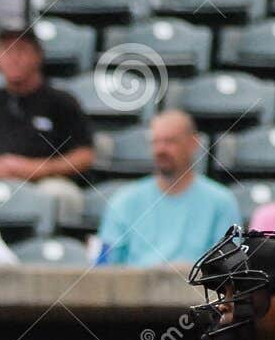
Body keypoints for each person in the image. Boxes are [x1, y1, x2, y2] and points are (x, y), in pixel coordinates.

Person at [0, 26, 94, 223]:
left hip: (43, 183)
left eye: (21, 50)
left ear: (38, 56)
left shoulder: (61, 101)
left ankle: (51, 248)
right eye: (6, 50)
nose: (13, 58)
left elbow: (84, 155)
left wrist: (39, 168)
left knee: (61, 195)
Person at [97, 110, 238, 267]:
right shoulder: (124, 201)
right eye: (156, 142)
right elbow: (106, 267)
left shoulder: (221, 202)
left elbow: (228, 267)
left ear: (193, 143)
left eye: (170, 141)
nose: (161, 150)